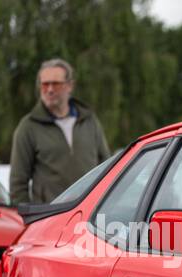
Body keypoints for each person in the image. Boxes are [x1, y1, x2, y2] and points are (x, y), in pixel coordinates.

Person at [9, 58, 110, 205]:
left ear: (69, 86)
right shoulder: (28, 126)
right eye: (45, 84)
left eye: (55, 84)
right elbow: (18, 183)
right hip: (51, 217)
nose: (49, 90)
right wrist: (29, 219)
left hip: (91, 213)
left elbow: (107, 166)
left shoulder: (89, 120)